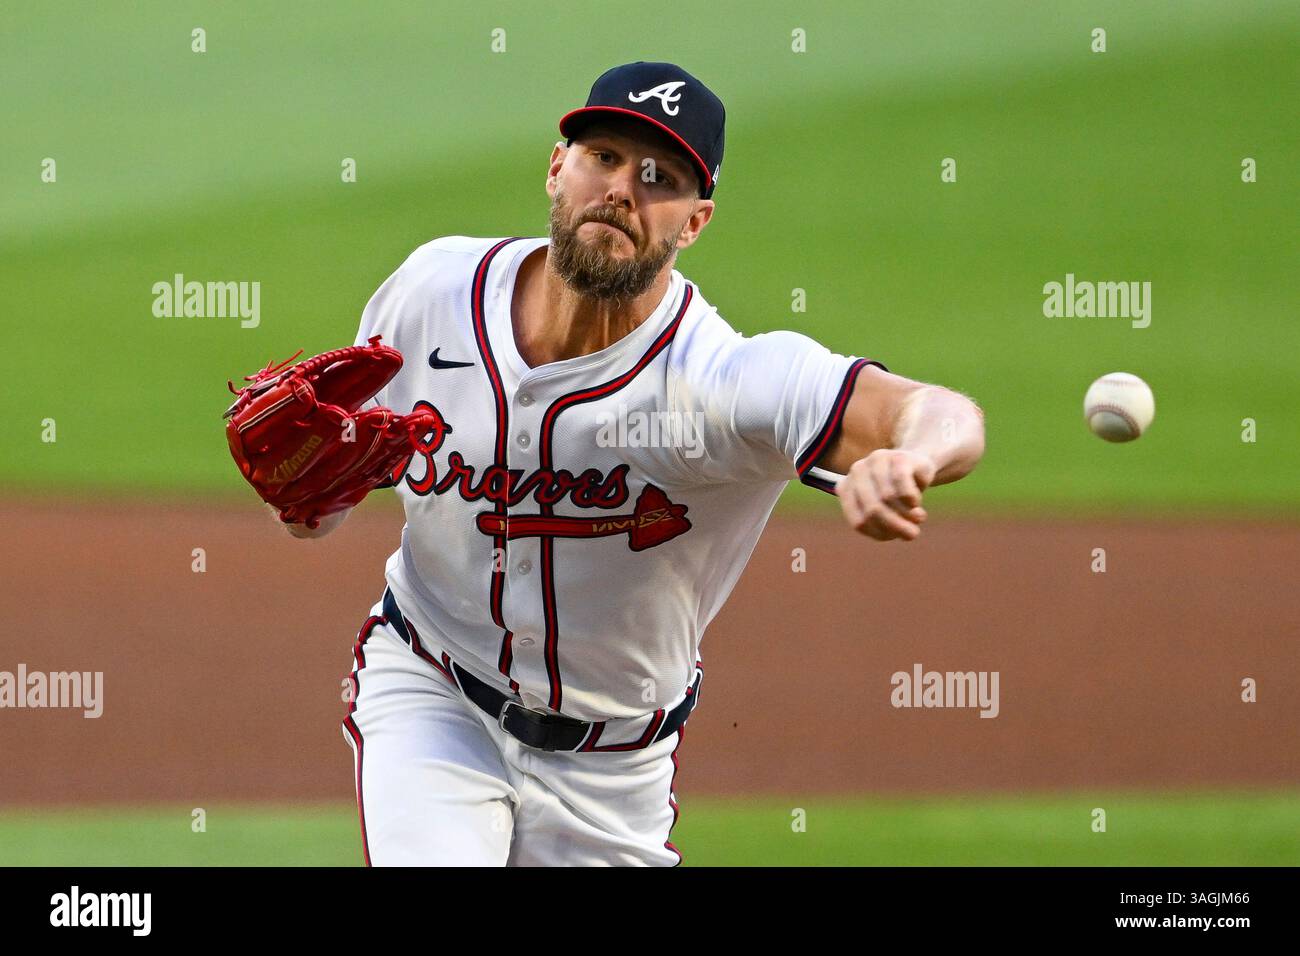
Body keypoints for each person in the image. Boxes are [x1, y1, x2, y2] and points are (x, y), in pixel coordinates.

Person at [287, 61, 984, 865]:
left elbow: (936, 412)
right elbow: (350, 468)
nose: (623, 188)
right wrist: (314, 506)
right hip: (429, 691)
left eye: (660, 177)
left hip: (613, 768)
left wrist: (913, 461)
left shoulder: (723, 383)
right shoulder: (432, 289)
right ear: (557, 168)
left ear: (695, 223)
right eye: (604, 157)